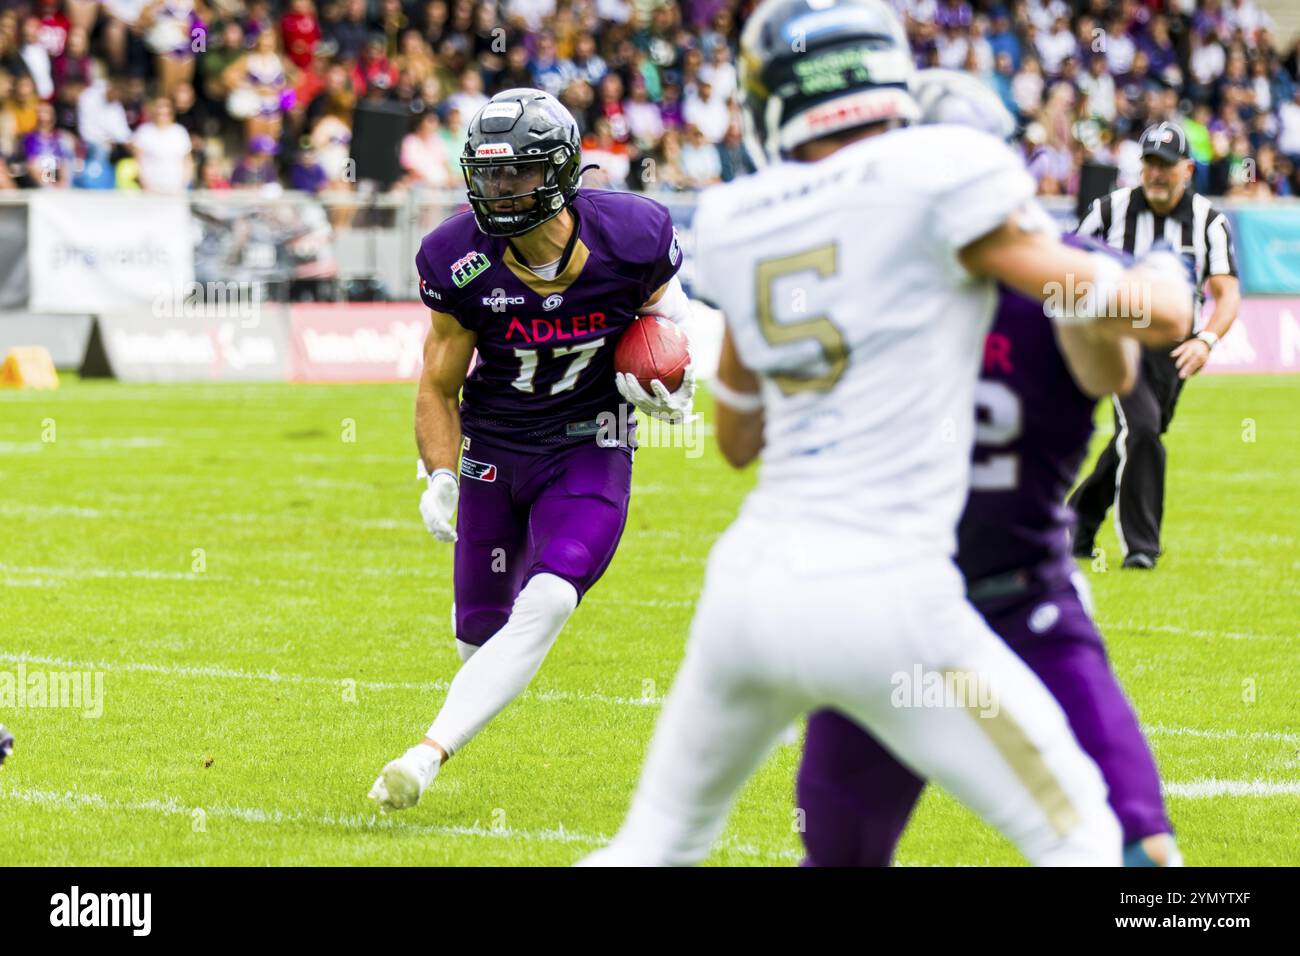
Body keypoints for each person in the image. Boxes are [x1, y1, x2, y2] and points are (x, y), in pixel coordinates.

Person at [581, 0, 1192, 867]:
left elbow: (739, 439)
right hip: (887, 592)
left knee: (654, 846)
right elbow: (1144, 311)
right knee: (1086, 840)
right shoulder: (936, 178)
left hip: (748, 593)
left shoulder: (744, 214)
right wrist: (1159, 281)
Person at [797, 69, 1180, 869]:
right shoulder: (856, 286)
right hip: (886, 613)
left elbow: (1129, 346)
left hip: (1018, 604)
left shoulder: (1057, 277)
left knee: (1139, 852)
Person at [368, 89, 697, 813]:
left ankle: (423, 757)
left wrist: (678, 378)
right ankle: (462, 708)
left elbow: (671, 320)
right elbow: (437, 383)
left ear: (560, 171)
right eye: (487, 175)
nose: (499, 189)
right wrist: (441, 475)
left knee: (548, 599)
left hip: (589, 444)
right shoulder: (455, 256)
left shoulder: (634, 236)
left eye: (515, 174)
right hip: (495, 448)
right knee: (477, 644)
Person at [1069, 121, 1241, 569]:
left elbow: (1227, 293)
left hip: (1176, 349)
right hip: (1118, 338)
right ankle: (1142, 548)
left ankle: (1074, 525)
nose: (1157, 174)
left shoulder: (1209, 221)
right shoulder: (1109, 211)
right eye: (1149, 164)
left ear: (1187, 169)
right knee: (1143, 429)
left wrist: (1206, 340)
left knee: (1137, 437)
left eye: (1166, 165)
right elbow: (1069, 265)